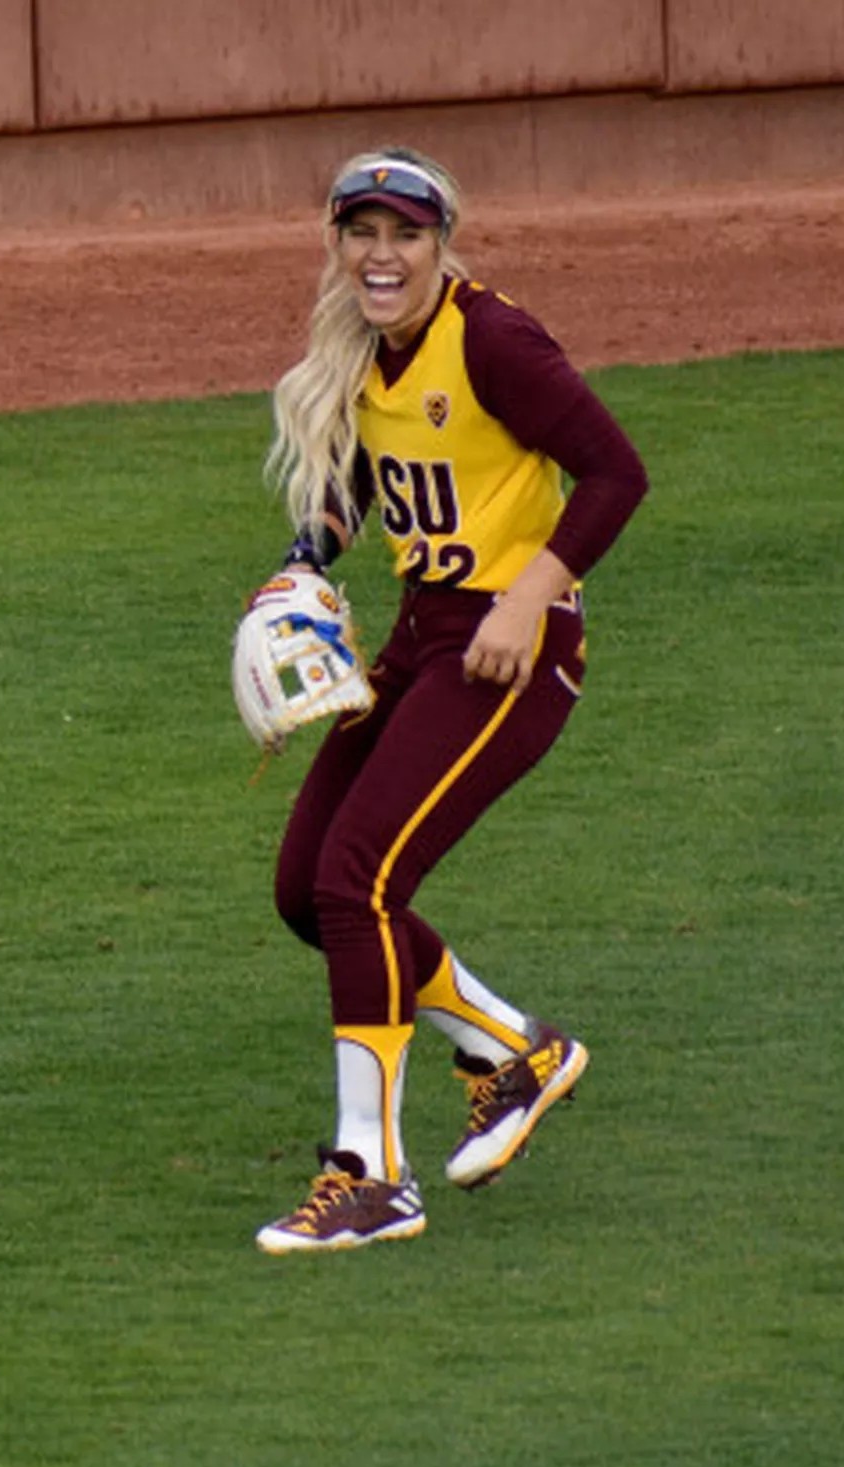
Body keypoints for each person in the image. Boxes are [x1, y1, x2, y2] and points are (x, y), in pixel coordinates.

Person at [250, 148, 649, 1253]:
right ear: (336, 244)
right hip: (426, 635)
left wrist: (527, 602)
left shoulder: (491, 340)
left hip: (509, 650)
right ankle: (513, 1048)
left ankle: (370, 1172)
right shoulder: (370, 353)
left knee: (357, 879)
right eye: (360, 234)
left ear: (440, 241)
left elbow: (615, 471)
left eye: (404, 235)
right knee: (306, 887)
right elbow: (365, 485)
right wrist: (301, 561)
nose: (381, 256)